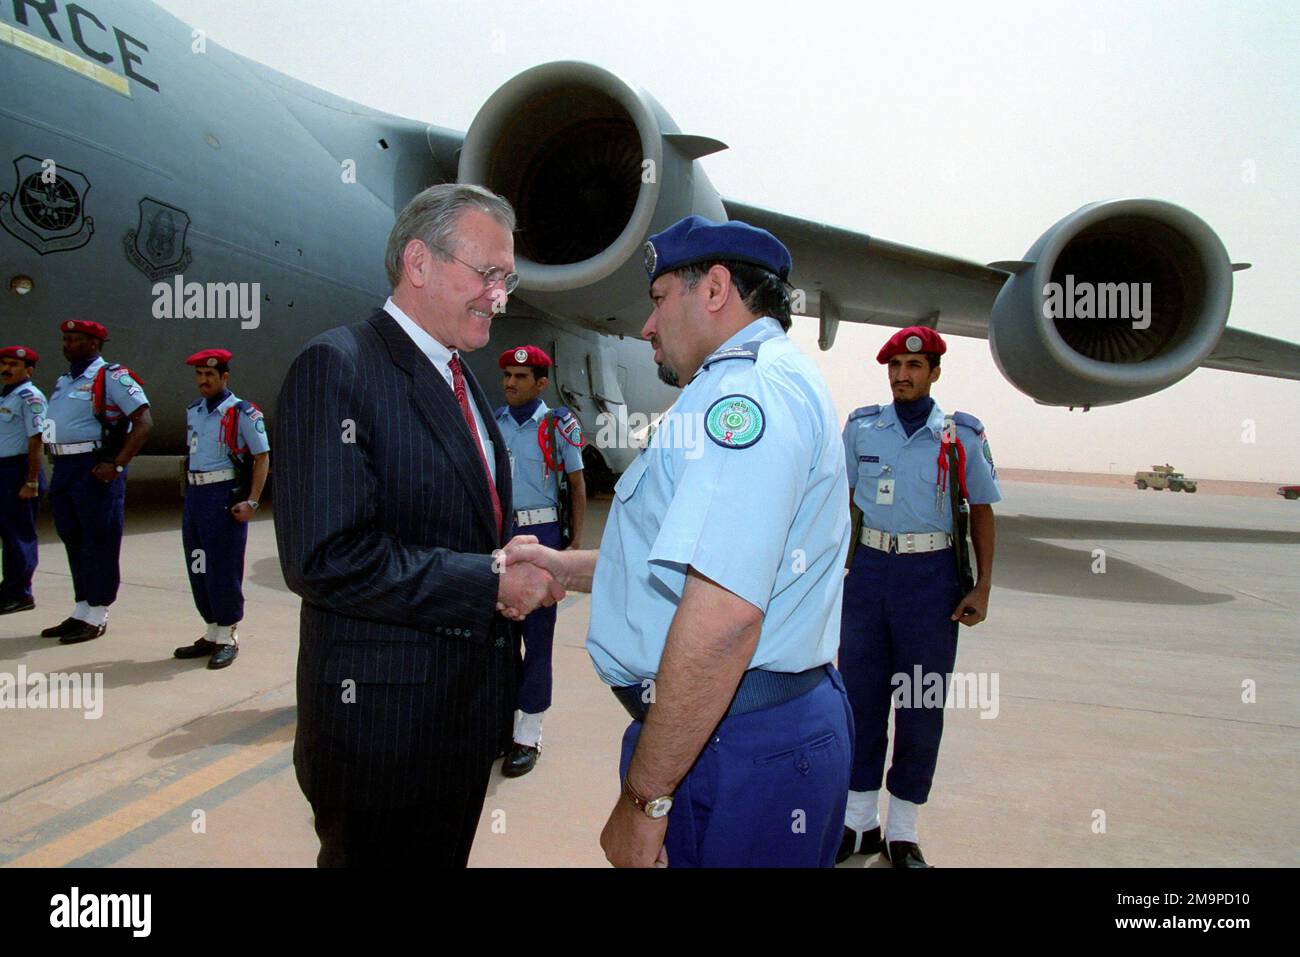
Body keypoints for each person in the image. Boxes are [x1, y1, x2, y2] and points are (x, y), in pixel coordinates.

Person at [504, 215, 853, 867]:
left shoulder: (741, 398)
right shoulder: (771, 381)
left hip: (732, 746)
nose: (646, 326)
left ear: (715, 289)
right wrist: (561, 565)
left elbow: (723, 616)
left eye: (659, 299)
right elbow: (690, 568)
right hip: (744, 732)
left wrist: (644, 800)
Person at [273, 183, 562, 868]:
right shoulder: (338, 368)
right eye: (487, 273)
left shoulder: (462, 381)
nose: (500, 295)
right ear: (419, 262)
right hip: (382, 738)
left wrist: (505, 555)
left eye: (507, 278)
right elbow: (324, 556)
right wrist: (487, 581)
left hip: (459, 726)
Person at [836, 326, 1000, 868]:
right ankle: (859, 824)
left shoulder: (961, 438)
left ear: (934, 373)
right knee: (860, 698)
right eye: (894, 369)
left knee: (920, 702)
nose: (902, 377)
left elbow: (980, 511)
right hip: (869, 573)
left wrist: (981, 585)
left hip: (931, 581)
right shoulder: (862, 430)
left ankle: (902, 832)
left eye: (913, 368)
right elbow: (845, 506)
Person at [493, 344, 586, 777]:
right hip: (503, 538)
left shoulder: (557, 425)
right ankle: (501, 726)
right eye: (508, 376)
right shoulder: (494, 423)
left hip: (545, 535)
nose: (511, 383)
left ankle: (528, 734)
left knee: (538, 638)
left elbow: (576, 483)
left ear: (541, 383)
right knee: (501, 636)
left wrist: (570, 550)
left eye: (521, 378)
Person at [39, 320, 152, 644]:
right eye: (65, 339)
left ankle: (99, 613)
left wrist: (117, 465)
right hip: (64, 466)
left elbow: (143, 421)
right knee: (72, 537)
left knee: (98, 540)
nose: (67, 345)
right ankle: (81, 609)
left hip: (93, 467)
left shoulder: (112, 376)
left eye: (75, 339)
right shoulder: (64, 380)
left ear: (94, 344)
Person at [172, 349, 270, 670]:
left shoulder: (242, 413)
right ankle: (211, 630)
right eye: (199, 375)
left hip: (223, 496)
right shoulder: (194, 411)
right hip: (197, 495)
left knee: (223, 566)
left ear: (224, 377)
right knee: (197, 564)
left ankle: (228, 635)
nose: (203, 381)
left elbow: (261, 457)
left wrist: (252, 501)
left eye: (210, 376)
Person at [0, 346, 47, 615]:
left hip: (19, 469)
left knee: (19, 534)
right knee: (7, 532)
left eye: (13, 365)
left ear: (28, 370)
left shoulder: (30, 397)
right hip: (3, 470)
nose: (6, 369)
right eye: (4, 364)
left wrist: (31, 481)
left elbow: (36, 439)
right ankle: (8, 588)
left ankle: (21, 593)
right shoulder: (6, 396)